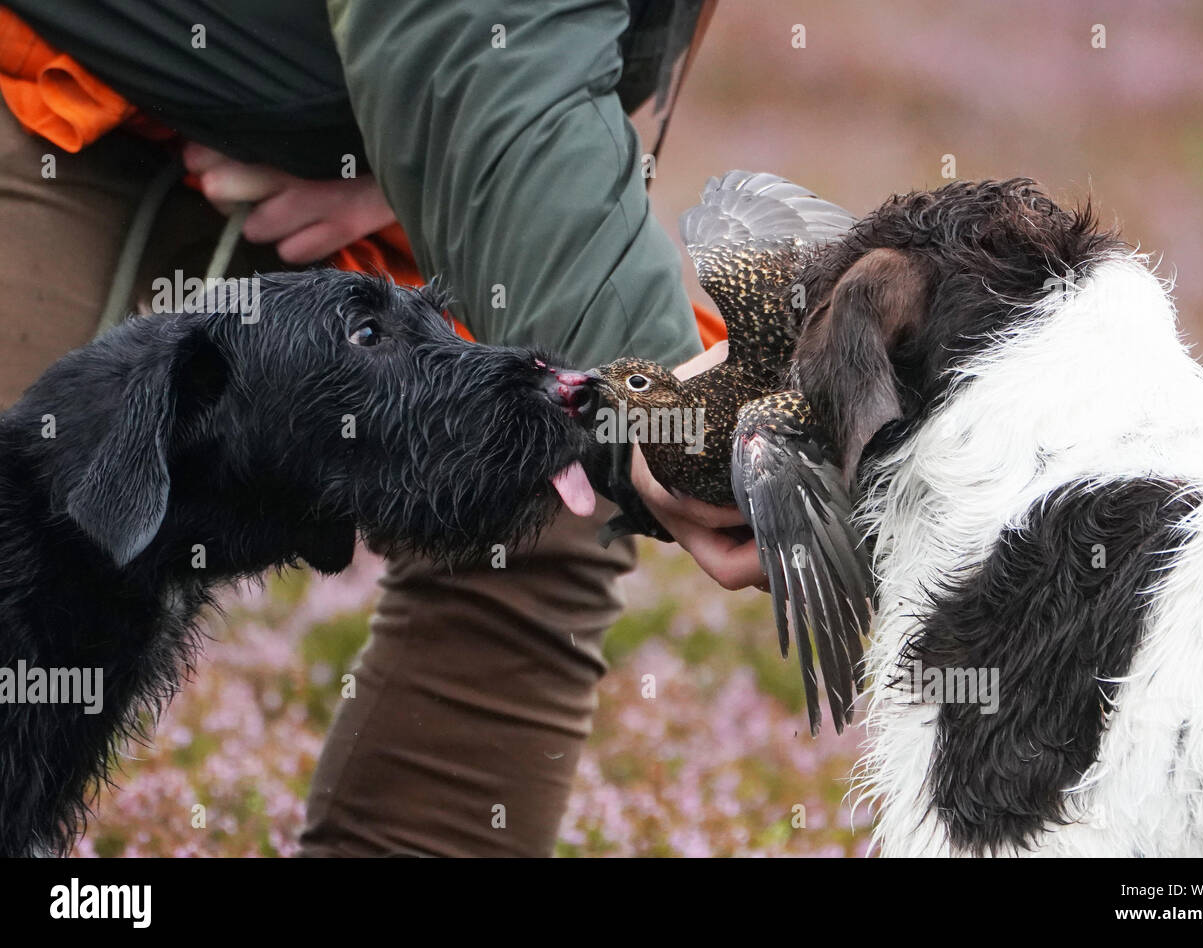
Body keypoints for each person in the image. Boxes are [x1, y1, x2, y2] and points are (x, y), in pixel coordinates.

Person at [0, 0, 763, 856]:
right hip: (74, 79)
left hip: (403, 120)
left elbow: (545, 59)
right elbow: (473, 36)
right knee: (35, 510)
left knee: (548, 502)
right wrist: (666, 416)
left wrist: (402, 158)